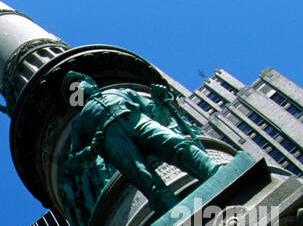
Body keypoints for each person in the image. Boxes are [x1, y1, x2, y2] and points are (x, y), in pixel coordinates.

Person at [63, 71, 221, 216]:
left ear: (90, 82)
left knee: (177, 145)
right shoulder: (79, 123)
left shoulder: (120, 92)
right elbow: (73, 163)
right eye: (71, 92)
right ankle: (176, 216)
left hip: (138, 121)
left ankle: (215, 172)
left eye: (77, 84)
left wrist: (161, 100)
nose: (76, 90)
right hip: (113, 142)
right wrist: (90, 151)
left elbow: (155, 112)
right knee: (146, 180)